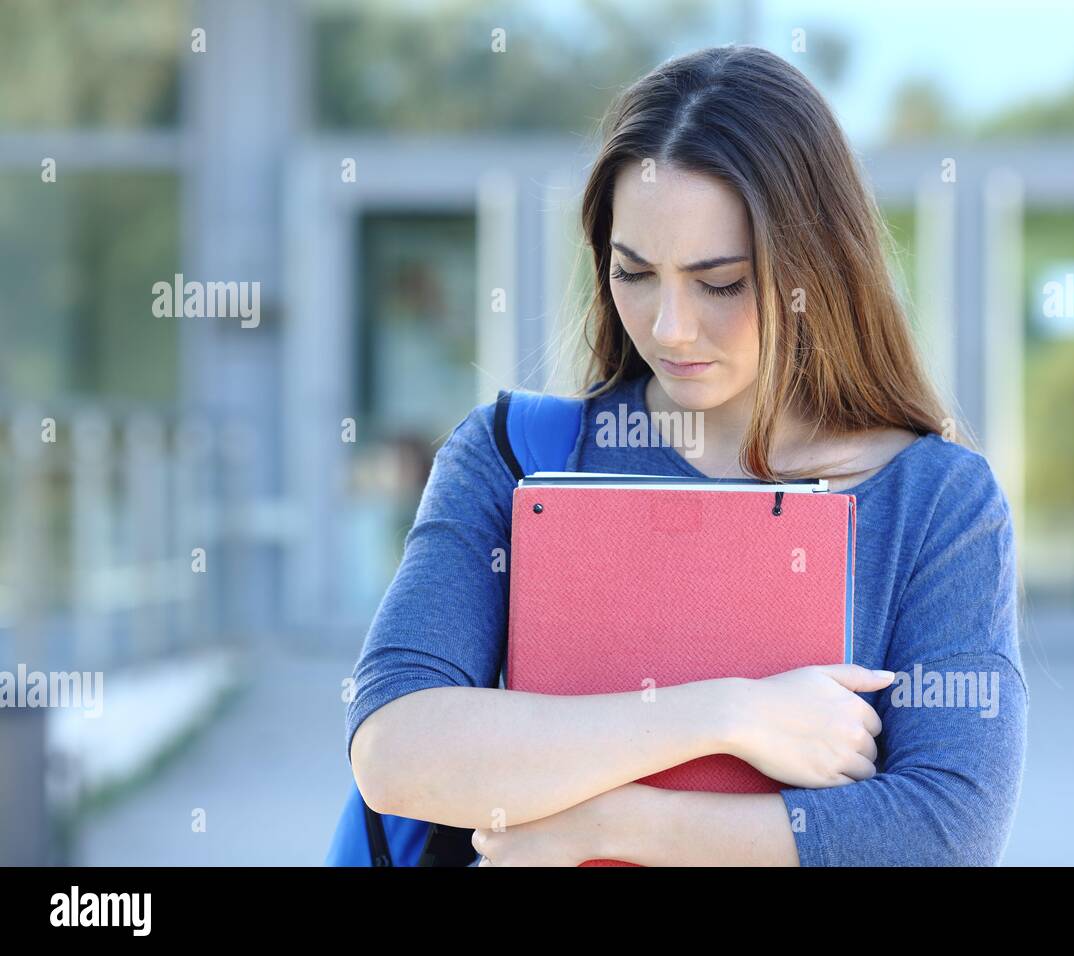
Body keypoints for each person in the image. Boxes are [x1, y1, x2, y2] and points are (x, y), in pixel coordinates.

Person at [345, 44, 1028, 866]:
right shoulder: (513, 458)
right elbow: (396, 751)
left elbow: (946, 833)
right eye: (634, 273)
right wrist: (729, 714)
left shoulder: (933, 499)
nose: (669, 326)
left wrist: (611, 826)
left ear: (816, 268)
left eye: (720, 283)